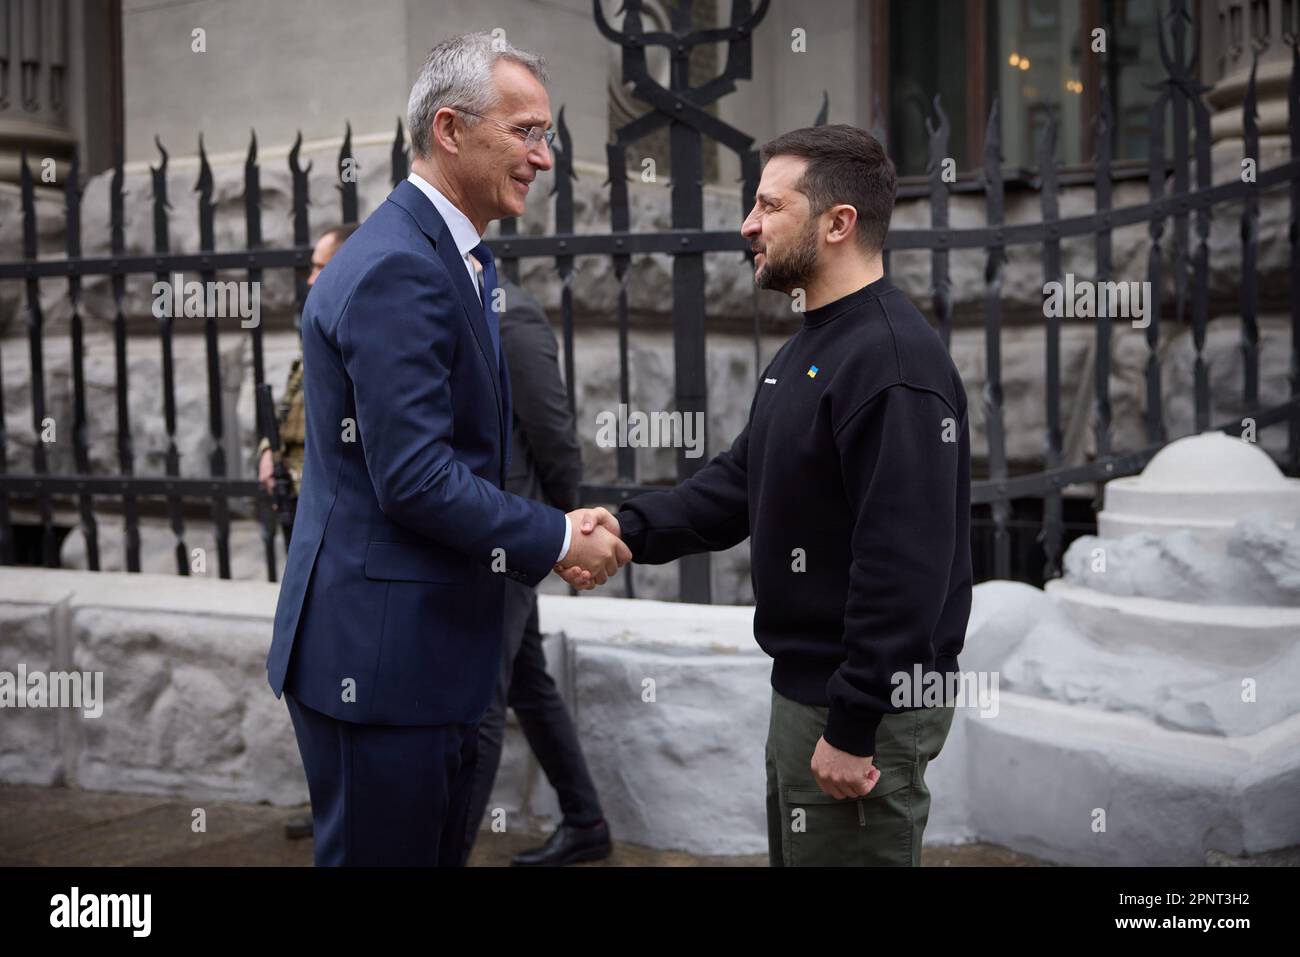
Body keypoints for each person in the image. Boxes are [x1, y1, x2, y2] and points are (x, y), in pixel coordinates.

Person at [562, 125, 972, 867]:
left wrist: (852, 725)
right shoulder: (812, 344)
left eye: (768, 205)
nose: (747, 225)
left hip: (862, 715)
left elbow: (905, 566)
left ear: (837, 223)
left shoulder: (895, 363)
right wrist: (625, 526)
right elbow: (739, 483)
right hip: (807, 694)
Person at [266, 32, 629, 867]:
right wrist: (557, 538)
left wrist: (551, 523)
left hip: (420, 654)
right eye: (527, 131)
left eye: (547, 134)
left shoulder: (452, 255)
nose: (544, 156)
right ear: (451, 128)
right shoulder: (401, 265)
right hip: (381, 666)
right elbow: (417, 478)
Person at [461, 274, 611, 867]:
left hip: (510, 534)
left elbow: (552, 431)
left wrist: (569, 532)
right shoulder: (456, 302)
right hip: (489, 535)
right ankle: (587, 822)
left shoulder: (511, 316)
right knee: (526, 679)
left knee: (483, 702)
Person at [257, 224, 359, 501]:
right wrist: (268, 450)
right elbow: (289, 404)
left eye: (319, 268)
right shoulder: (320, 327)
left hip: (331, 497)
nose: (311, 279)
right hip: (296, 492)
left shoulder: (359, 335)